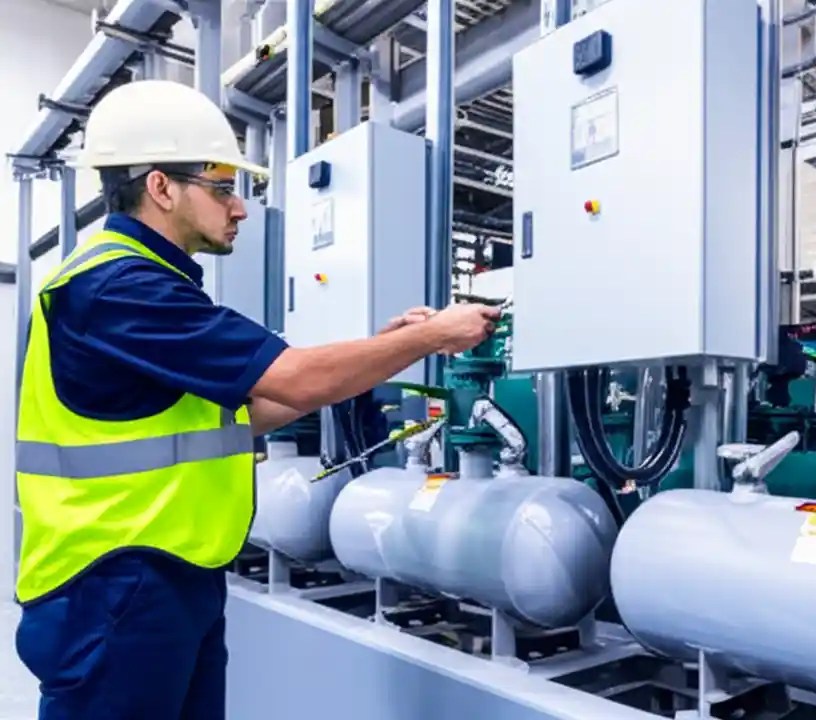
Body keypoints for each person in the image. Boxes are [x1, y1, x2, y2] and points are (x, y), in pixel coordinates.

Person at [11, 79, 499, 719]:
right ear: (160, 187)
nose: (240, 209)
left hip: (170, 576)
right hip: (115, 584)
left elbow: (247, 413)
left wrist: (381, 347)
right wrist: (433, 337)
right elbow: (295, 378)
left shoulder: (149, 283)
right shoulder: (117, 286)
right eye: (221, 188)